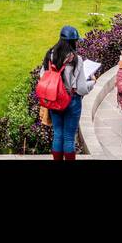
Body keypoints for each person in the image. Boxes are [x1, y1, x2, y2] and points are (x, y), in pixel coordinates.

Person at [41, 25, 95, 161]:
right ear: (73, 42)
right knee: (69, 138)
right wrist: (93, 82)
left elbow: (42, 76)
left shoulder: (50, 55)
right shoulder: (76, 60)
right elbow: (82, 88)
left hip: (54, 99)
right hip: (72, 101)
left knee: (58, 134)